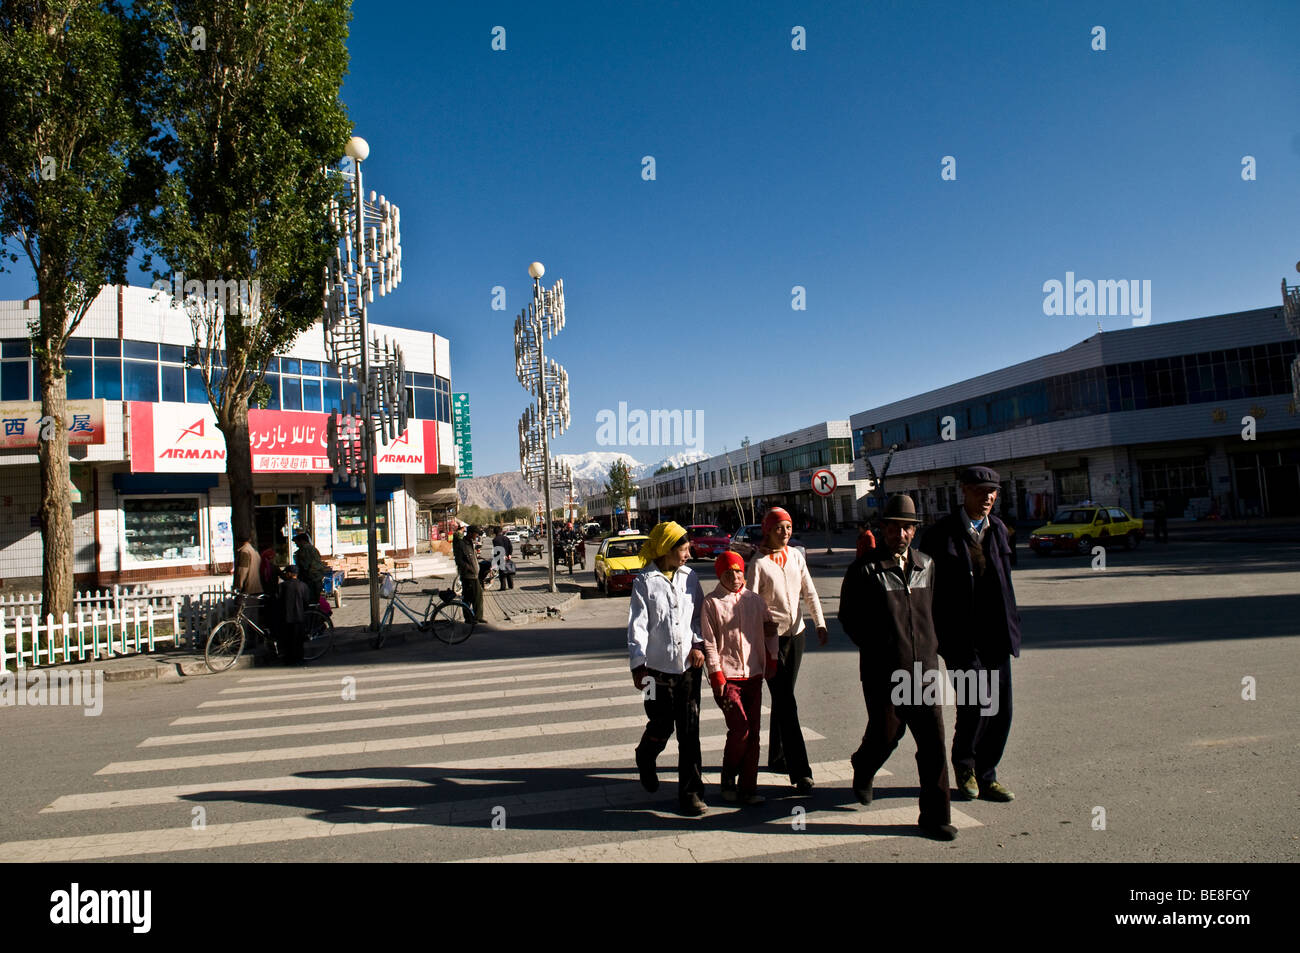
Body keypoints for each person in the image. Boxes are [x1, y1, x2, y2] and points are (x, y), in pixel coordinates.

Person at [839, 494, 956, 840]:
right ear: (883, 529)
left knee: (934, 743)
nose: (900, 534)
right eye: (893, 527)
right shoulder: (864, 569)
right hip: (883, 672)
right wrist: (881, 648)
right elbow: (849, 618)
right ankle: (864, 765)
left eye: (906, 528)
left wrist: (935, 649)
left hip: (925, 672)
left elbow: (936, 612)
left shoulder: (927, 565)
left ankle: (936, 818)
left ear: (914, 531)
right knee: (886, 735)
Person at [918, 466, 1021, 804]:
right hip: (960, 636)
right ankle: (965, 767)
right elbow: (924, 588)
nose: (988, 497)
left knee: (1000, 708)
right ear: (963, 491)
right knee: (974, 703)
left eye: (993, 491)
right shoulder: (939, 535)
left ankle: (988, 773)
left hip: (996, 635)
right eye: (981, 491)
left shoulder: (1000, 530)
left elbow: (1006, 583)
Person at [627, 521, 707, 816]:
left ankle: (691, 793)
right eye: (684, 550)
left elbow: (699, 617)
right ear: (667, 550)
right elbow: (638, 627)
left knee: (690, 730)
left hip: (688, 666)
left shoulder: (690, 577)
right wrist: (639, 666)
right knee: (661, 724)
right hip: (655, 671)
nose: (688, 554)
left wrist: (698, 645)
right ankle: (646, 757)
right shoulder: (645, 582)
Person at [746, 506, 828, 793]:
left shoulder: (795, 556)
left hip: (798, 636)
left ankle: (777, 756)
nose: (785, 533)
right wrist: (760, 629)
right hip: (772, 640)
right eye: (779, 528)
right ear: (767, 530)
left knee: (784, 699)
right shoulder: (758, 564)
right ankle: (800, 770)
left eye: (789, 528)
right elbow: (750, 603)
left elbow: (809, 591)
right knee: (787, 702)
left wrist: (819, 622)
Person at [700, 551, 778, 806]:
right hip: (728, 677)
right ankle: (727, 777)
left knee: (753, 733)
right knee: (740, 730)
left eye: (738, 571)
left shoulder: (755, 601)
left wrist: (773, 658)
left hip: (754, 675)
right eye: (728, 573)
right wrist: (716, 674)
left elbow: (770, 631)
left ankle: (748, 787)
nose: (734, 577)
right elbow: (709, 643)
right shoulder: (712, 603)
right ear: (720, 575)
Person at [277, 563, 310, 666]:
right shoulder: (303, 586)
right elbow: (306, 602)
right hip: (299, 617)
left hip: (286, 617)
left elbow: (278, 600)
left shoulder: (282, 586)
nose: (285, 575)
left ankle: (289, 659)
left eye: (286, 573)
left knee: (288, 640)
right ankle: (299, 658)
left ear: (290, 574)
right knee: (299, 640)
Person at [454, 523, 485, 624]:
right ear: (470, 533)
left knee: (474, 597)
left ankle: (476, 617)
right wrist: (469, 568)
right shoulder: (461, 544)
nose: (477, 536)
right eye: (476, 534)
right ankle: (472, 618)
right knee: (472, 597)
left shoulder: (471, 543)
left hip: (474, 575)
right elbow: (459, 560)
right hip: (468, 575)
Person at [292, 531, 327, 607]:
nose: (296, 544)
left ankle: (312, 616)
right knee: (314, 601)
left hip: (310, 579)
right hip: (316, 578)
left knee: (310, 601)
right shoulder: (312, 548)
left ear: (302, 541)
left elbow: (304, 566)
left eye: (297, 542)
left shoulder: (305, 550)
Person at [491, 526, 515, 590]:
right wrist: (510, 554)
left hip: (501, 557)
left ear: (494, 532)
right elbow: (510, 547)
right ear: (501, 531)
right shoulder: (506, 538)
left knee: (502, 573)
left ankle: (503, 587)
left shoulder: (495, 540)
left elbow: (498, 548)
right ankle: (511, 586)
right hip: (508, 557)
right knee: (509, 571)